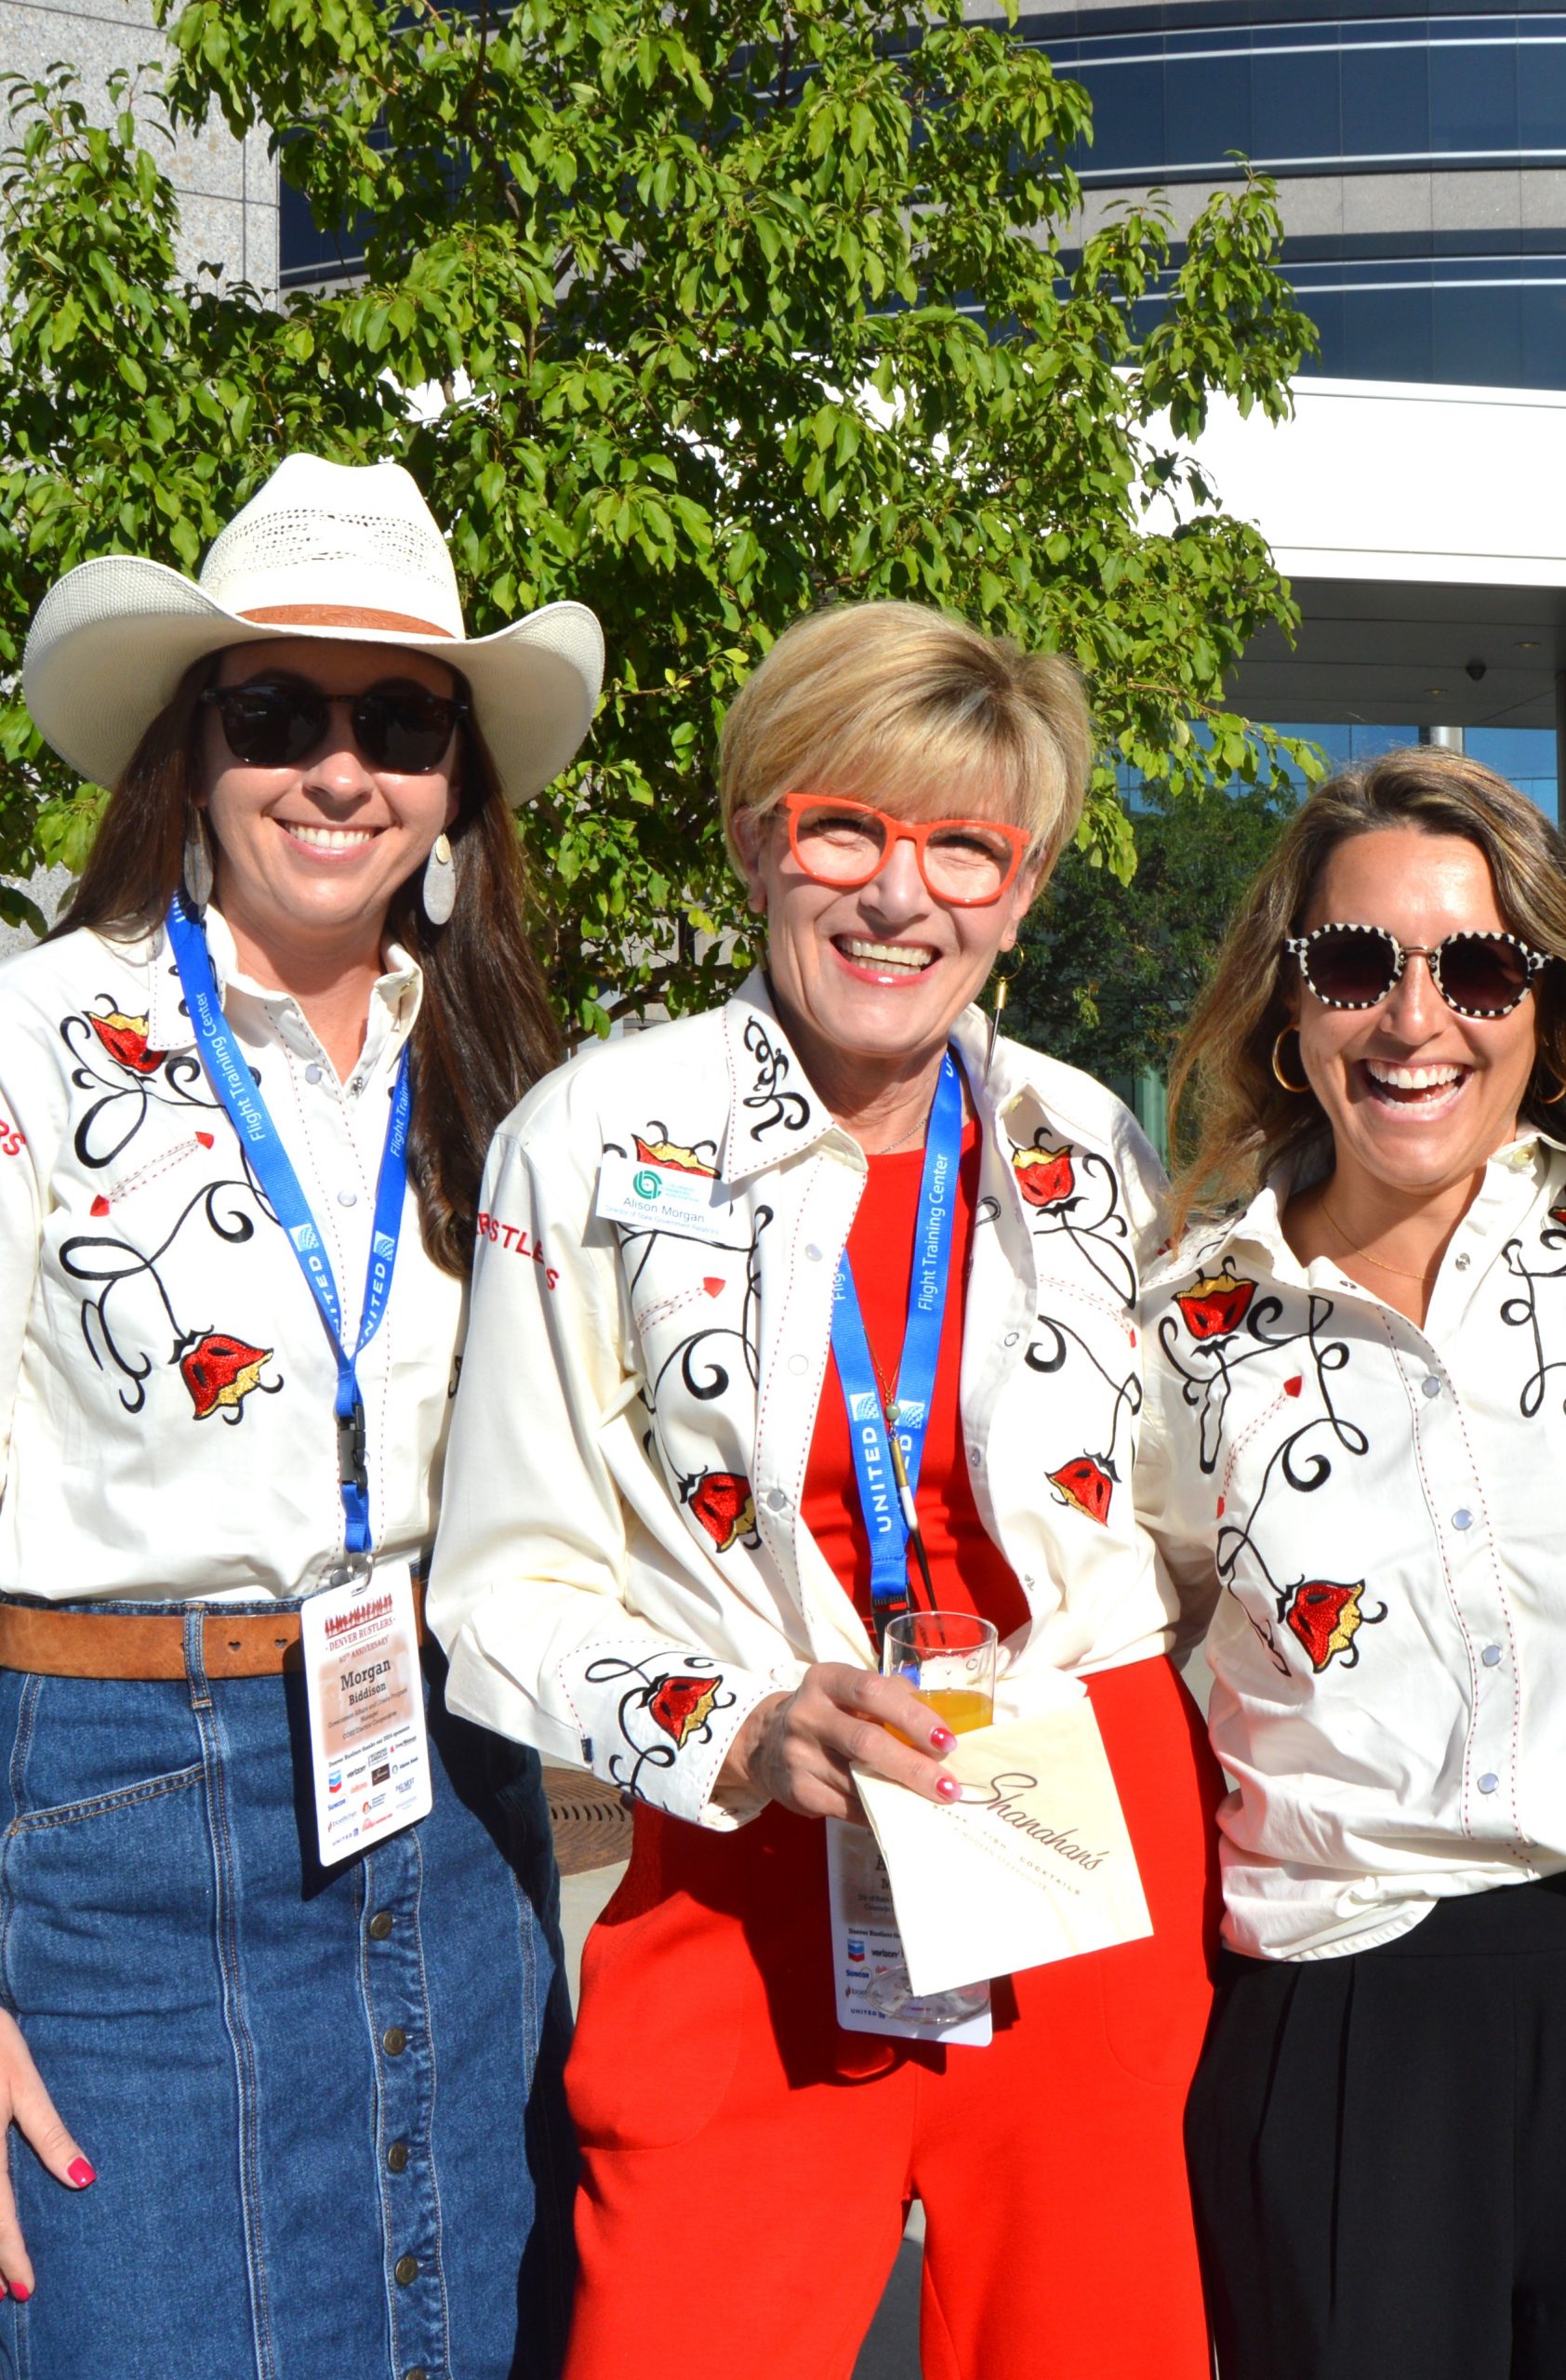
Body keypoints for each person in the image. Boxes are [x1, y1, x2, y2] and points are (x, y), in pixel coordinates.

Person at [428, 600, 1221, 2380]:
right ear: (755, 842)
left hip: (1074, 1836)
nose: (900, 896)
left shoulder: (1091, 1146)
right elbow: (503, 1583)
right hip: (751, 1857)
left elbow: (1182, 1522)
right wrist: (734, 1728)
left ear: (1022, 890)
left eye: (966, 849)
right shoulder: (594, 1139)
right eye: (844, 830)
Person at [0, 454, 600, 2377]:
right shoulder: (32, 1038)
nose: (339, 771)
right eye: (277, 713)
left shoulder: (513, 1079)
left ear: (456, 784)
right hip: (118, 1837)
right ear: (194, 746)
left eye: (400, 724)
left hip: (454, 1800)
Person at [1139, 745, 1566, 2380]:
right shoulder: (1175, 1327)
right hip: (1340, 2035)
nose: (1414, 1018)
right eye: (1356, 964)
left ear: (1546, 996)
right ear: (1288, 1002)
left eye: (1478, 968)